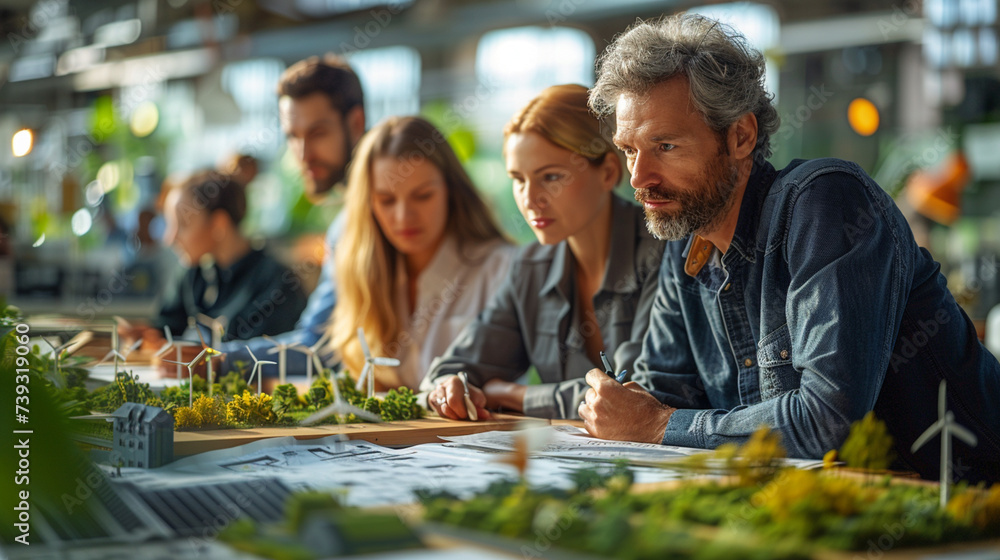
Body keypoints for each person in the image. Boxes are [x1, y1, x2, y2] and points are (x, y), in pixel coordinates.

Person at [577, 14, 1000, 482]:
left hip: (961, 509)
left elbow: (827, 421)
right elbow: (661, 400)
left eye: (666, 146)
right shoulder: (688, 246)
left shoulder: (825, 202)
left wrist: (656, 424)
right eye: (630, 150)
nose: (639, 179)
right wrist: (626, 409)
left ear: (741, 136)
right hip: (814, 512)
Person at [422, 84, 665, 420]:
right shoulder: (530, 267)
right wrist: (449, 386)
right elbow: (454, 368)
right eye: (518, 179)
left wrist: (513, 394)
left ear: (608, 172)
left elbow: (637, 393)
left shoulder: (664, 252)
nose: (530, 198)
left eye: (550, 176)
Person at [329, 116, 513, 390]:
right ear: (367, 205)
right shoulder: (360, 270)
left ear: (451, 191)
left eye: (423, 195)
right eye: (387, 200)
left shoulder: (502, 268)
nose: (404, 217)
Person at [216, 54, 366, 373]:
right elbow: (318, 343)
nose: (303, 154)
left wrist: (219, 360)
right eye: (293, 136)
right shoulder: (347, 223)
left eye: (318, 133)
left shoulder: (376, 218)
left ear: (355, 124)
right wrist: (218, 358)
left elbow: (315, 347)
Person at [155, 171, 307, 339]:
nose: (169, 239)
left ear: (219, 224)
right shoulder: (195, 274)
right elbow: (164, 328)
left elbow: (256, 357)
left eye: (182, 225)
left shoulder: (275, 285)